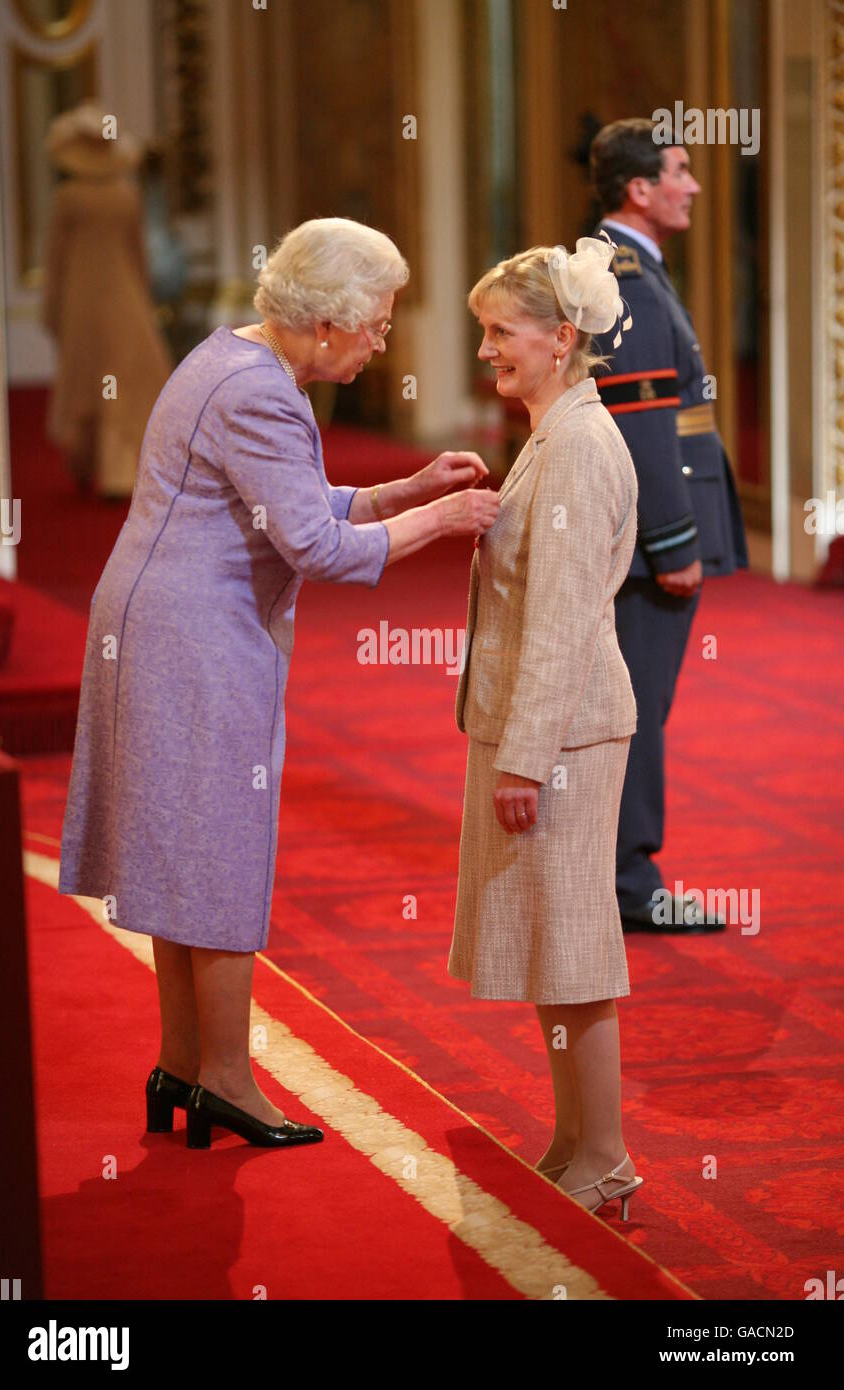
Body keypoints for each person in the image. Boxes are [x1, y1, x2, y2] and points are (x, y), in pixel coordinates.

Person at [58, 217, 499, 1152]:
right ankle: (222, 1076)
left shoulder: (235, 361)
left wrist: (408, 490)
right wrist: (450, 516)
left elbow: (290, 501)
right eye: (377, 322)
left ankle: (182, 1064)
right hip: (192, 639)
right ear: (329, 322)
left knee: (182, 852)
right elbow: (314, 546)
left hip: (159, 623)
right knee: (215, 850)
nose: (383, 340)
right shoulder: (259, 394)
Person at [450, 236, 643, 1219]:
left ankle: (604, 1156)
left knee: (571, 946)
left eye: (499, 332)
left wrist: (522, 759)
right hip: (552, 728)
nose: (484, 350)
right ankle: (572, 1139)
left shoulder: (569, 445)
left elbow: (562, 619)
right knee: (549, 948)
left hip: (560, 738)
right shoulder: (553, 430)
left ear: (560, 337)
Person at [589, 118, 748, 935]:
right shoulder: (630, 281)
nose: (691, 185)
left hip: (639, 536)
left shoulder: (624, 270)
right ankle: (628, 881)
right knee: (639, 707)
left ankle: (609, 870)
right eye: (679, 172)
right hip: (651, 547)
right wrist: (676, 545)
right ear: (639, 190)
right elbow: (648, 427)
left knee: (631, 704)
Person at [42, 101, 174, 499]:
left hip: (81, 298)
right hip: (124, 297)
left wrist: (52, 306)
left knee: (88, 376)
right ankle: (119, 471)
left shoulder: (69, 197)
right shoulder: (127, 195)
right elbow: (138, 255)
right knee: (123, 379)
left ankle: (90, 460)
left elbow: (56, 258)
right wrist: (145, 300)